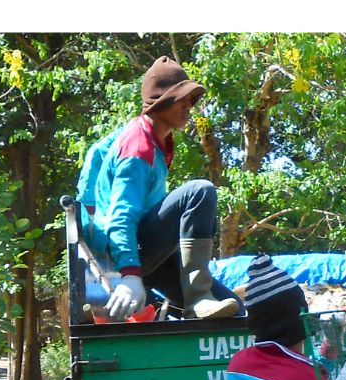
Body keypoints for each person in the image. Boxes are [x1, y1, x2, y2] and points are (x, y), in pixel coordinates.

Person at [77, 56, 240, 321]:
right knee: (199, 192)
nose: (189, 106)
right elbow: (121, 217)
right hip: (127, 253)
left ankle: (198, 311)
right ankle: (197, 297)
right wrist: (129, 275)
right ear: (160, 102)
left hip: (147, 256)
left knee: (233, 312)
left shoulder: (158, 143)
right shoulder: (138, 146)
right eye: (182, 99)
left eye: (191, 100)